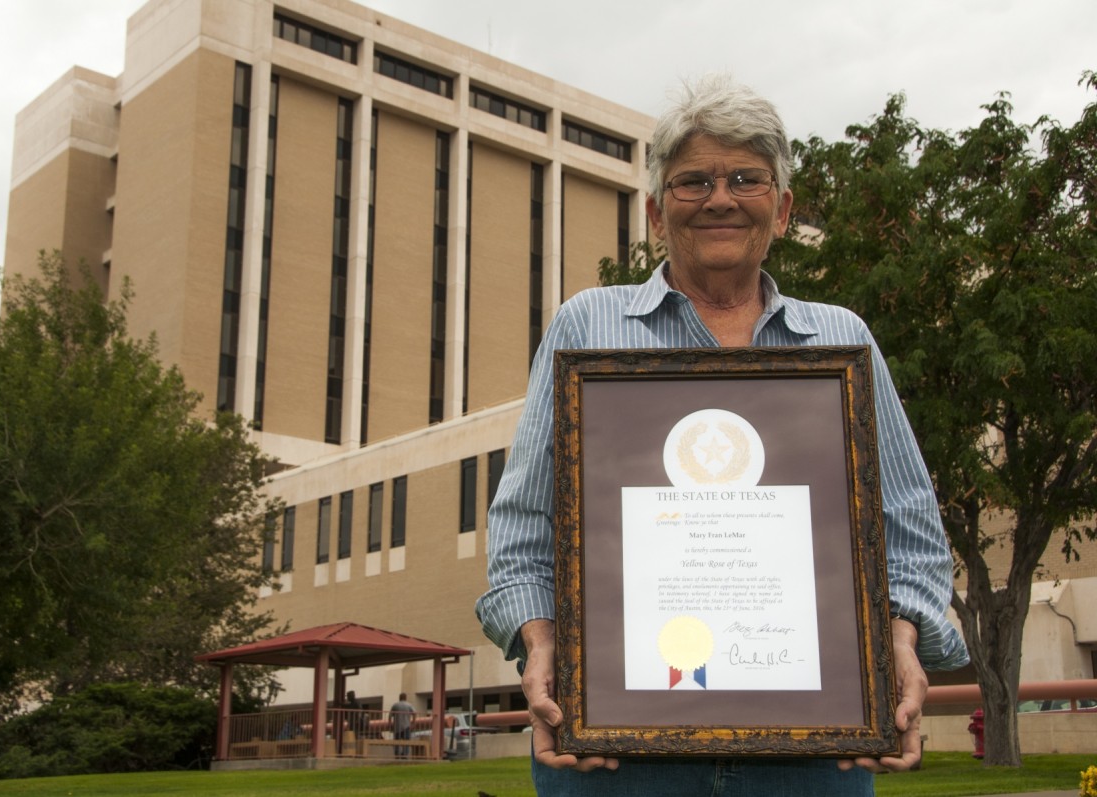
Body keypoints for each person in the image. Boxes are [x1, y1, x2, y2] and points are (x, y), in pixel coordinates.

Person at [475, 73, 969, 797]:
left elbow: (914, 538)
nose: (720, 198)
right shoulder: (586, 327)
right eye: (692, 181)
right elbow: (523, 527)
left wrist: (898, 638)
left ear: (783, 206)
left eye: (747, 177)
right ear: (653, 210)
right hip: (614, 755)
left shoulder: (840, 340)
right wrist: (541, 644)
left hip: (815, 752)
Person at [390, 692, 416, 757]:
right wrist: (413, 722)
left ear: (399, 698)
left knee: (396, 742)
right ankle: (405, 755)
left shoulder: (395, 705)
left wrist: (390, 724)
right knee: (406, 742)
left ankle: (397, 754)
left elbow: (390, 715)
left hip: (397, 726)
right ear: (405, 698)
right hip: (406, 726)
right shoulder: (409, 705)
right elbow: (414, 713)